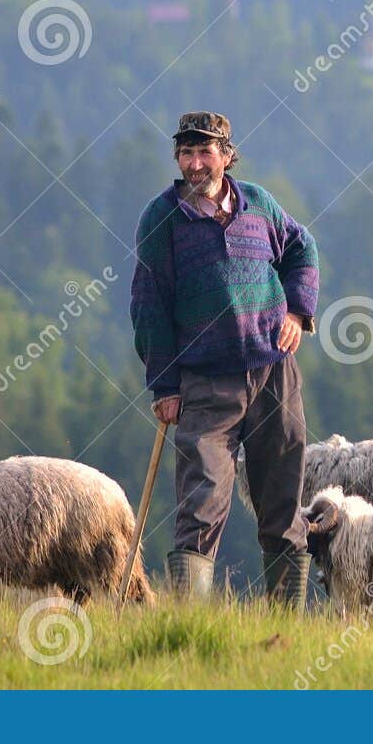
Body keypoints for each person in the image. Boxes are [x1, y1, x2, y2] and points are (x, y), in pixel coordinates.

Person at [128, 111, 320, 606]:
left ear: (227, 156)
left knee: (283, 501)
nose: (195, 163)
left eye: (205, 152)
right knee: (203, 501)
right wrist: (165, 386)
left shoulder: (259, 204)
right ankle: (190, 628)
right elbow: (148, 304)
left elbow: (302, 247)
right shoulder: (162, 218)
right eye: (186, 153)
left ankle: (287, 627)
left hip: (274, 371)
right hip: (205, 384)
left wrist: (298, 311)